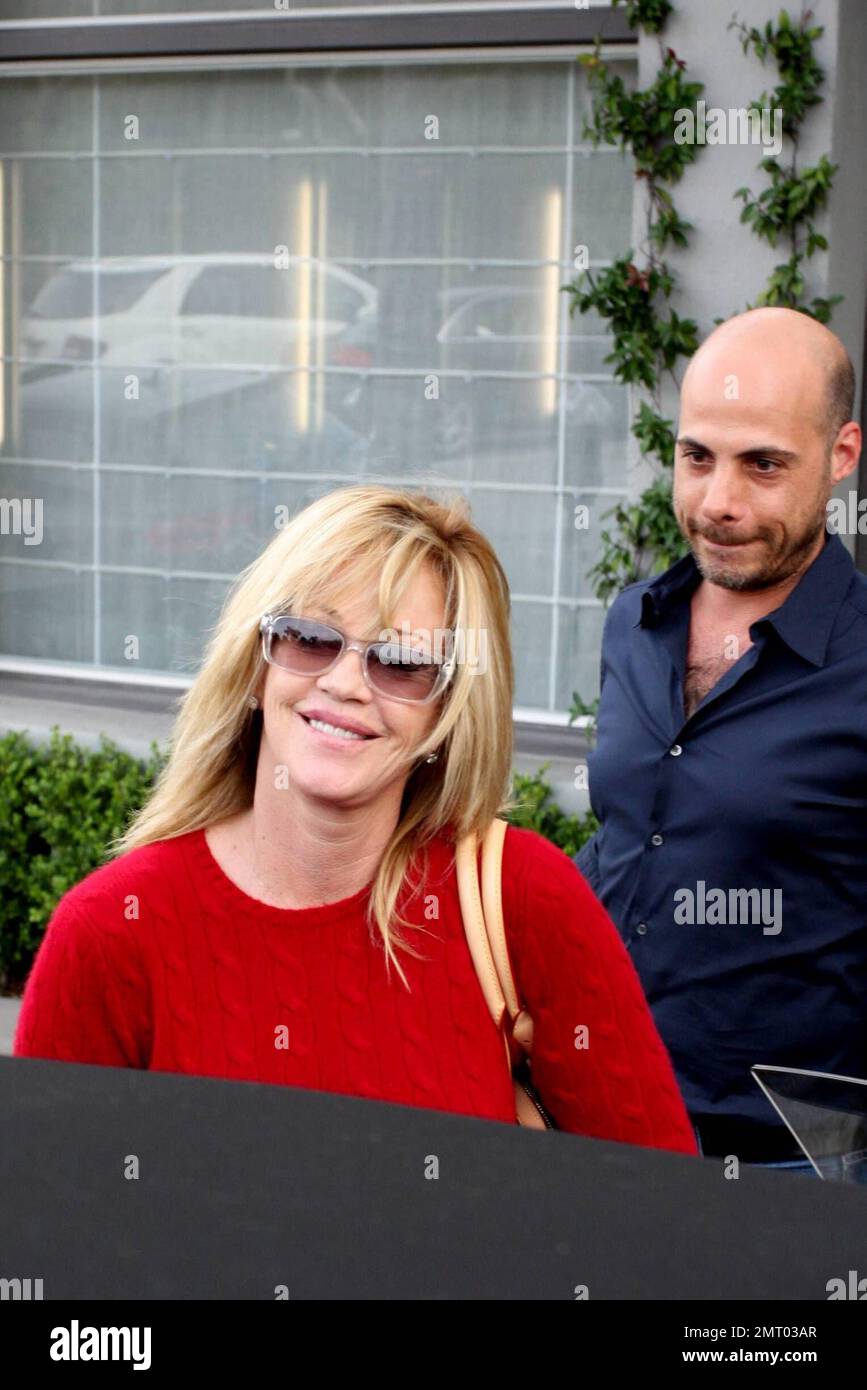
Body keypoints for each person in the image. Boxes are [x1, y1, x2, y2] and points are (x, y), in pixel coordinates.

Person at [14, 485, 695, 1154]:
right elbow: (54, 1230)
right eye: (310, 638)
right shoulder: (110, 931)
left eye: (398, 662)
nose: (344, 683)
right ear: (255, 666)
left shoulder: (522, 898)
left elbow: (664, 1213)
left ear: (447, 709)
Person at [576, 307, 866, 1171]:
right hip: (598, 1112)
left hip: (793, 1157)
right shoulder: (637, 620)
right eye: (695, 457)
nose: (718, 503)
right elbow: (628, 840)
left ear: (841, 457)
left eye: (763, 465)